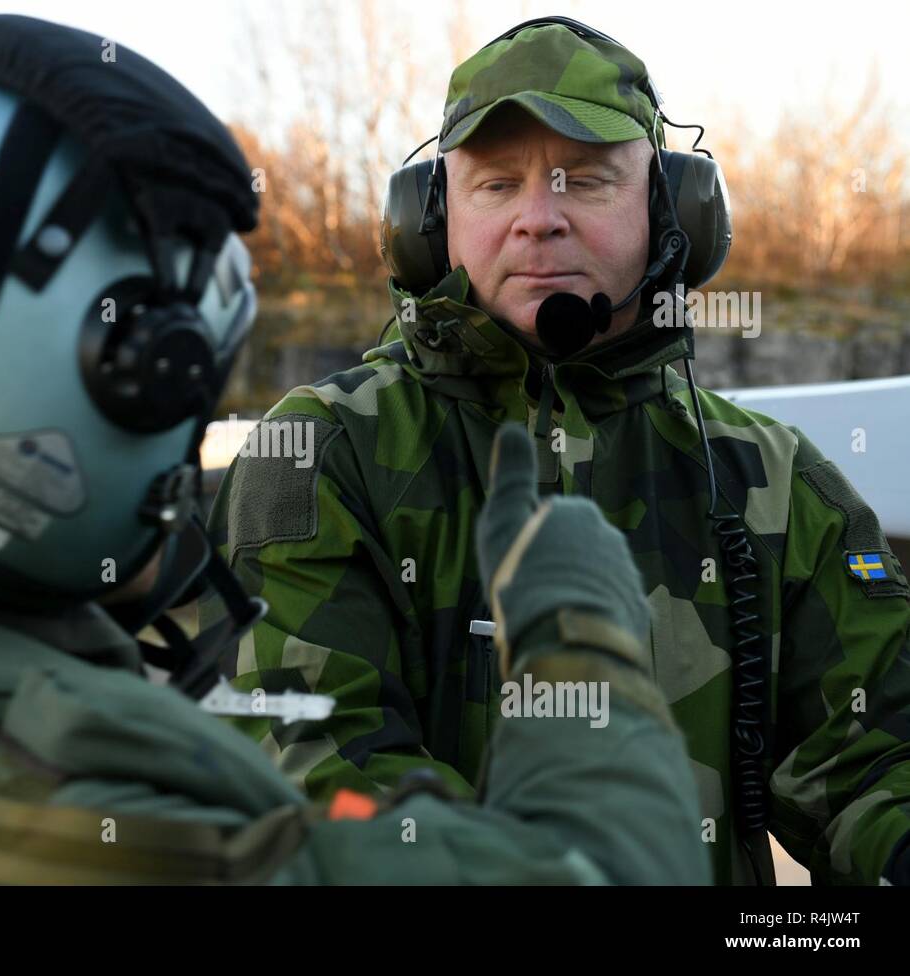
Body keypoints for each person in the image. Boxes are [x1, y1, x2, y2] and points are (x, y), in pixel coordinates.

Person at [0, 14, 707, 885]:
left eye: (585, 178)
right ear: (93, 391)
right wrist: (577, 635)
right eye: (185, 395)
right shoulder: (123, 825)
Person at [204, 16, 910, 885]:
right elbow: (311, 777)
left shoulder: (775, 479)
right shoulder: (315, 454)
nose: (539, 221)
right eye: (497, 185)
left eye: (586, 182)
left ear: (673, 212)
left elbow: (877, 762)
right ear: (431, 223)